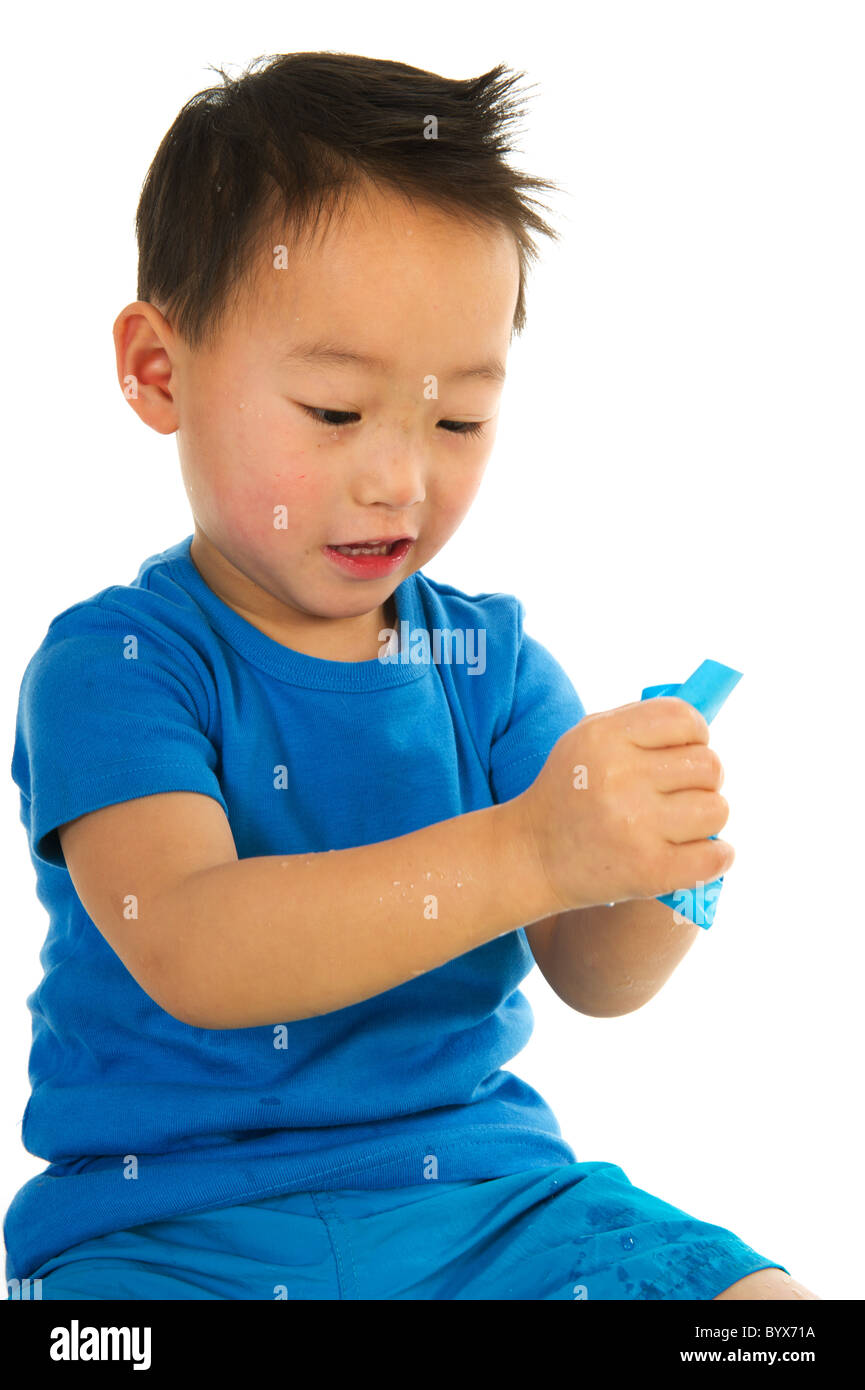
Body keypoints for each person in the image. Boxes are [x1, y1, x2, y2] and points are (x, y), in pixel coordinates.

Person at [5, 52, 819, 1301]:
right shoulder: (117, 664)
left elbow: (595, 976)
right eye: (335, 412)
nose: (399, 479)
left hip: (492, 1207)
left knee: (758, 1313)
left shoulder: (486, 664)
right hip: (168, 1237)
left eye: (456, 421)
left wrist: (660, 872)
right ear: (159, 373)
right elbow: (195, 946)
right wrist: (537, 849)